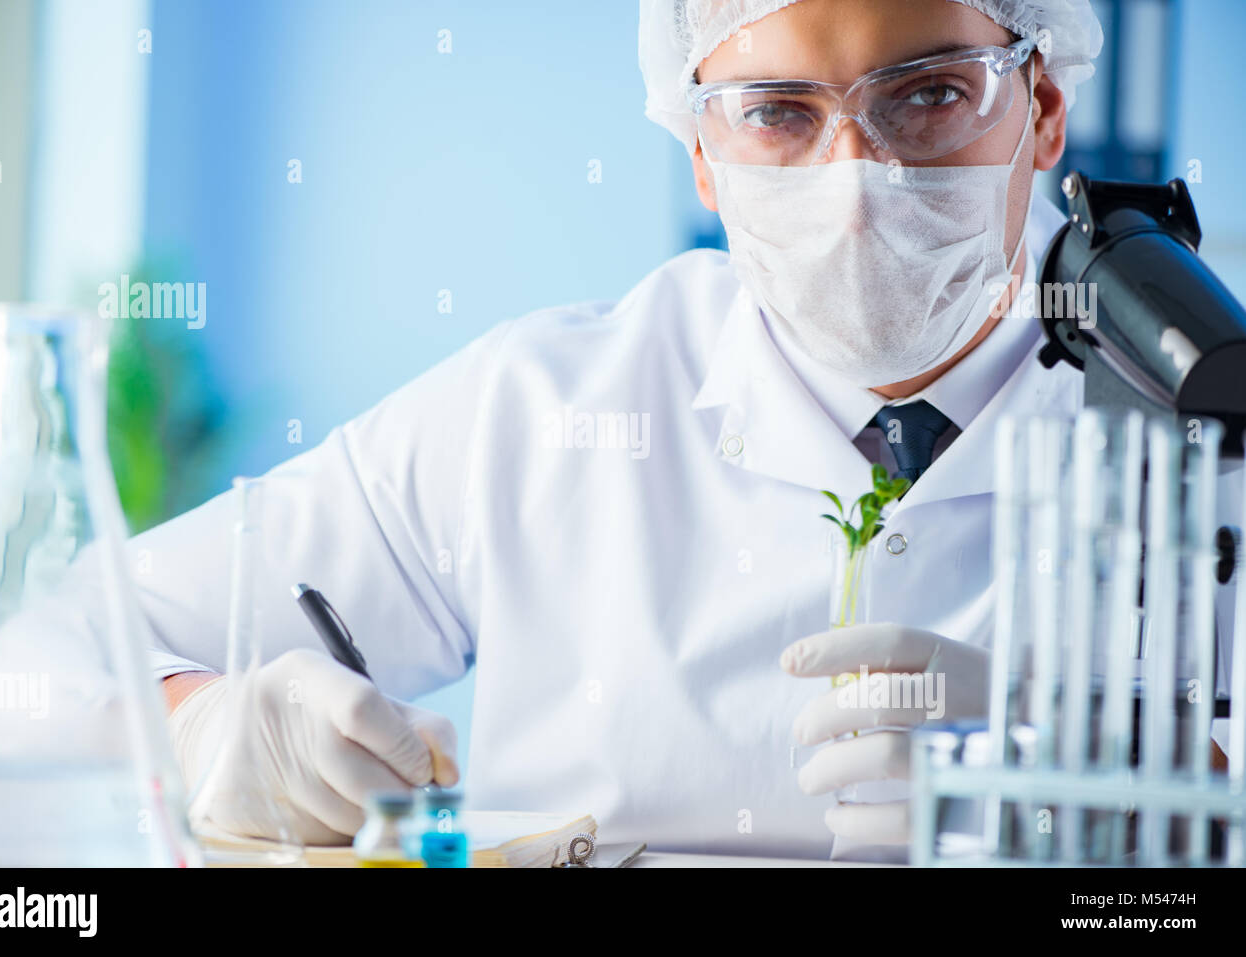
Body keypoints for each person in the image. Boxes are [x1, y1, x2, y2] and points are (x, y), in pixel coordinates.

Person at [138, 0, 1112, 859]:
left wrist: (1123, 776)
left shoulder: (1200, 426)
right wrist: (203, 730)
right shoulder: (535, 411)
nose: (854, 183)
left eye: (931, 95)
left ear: (1043, 110)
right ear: (699, 155)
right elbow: (64, 647)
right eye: (777, 112)